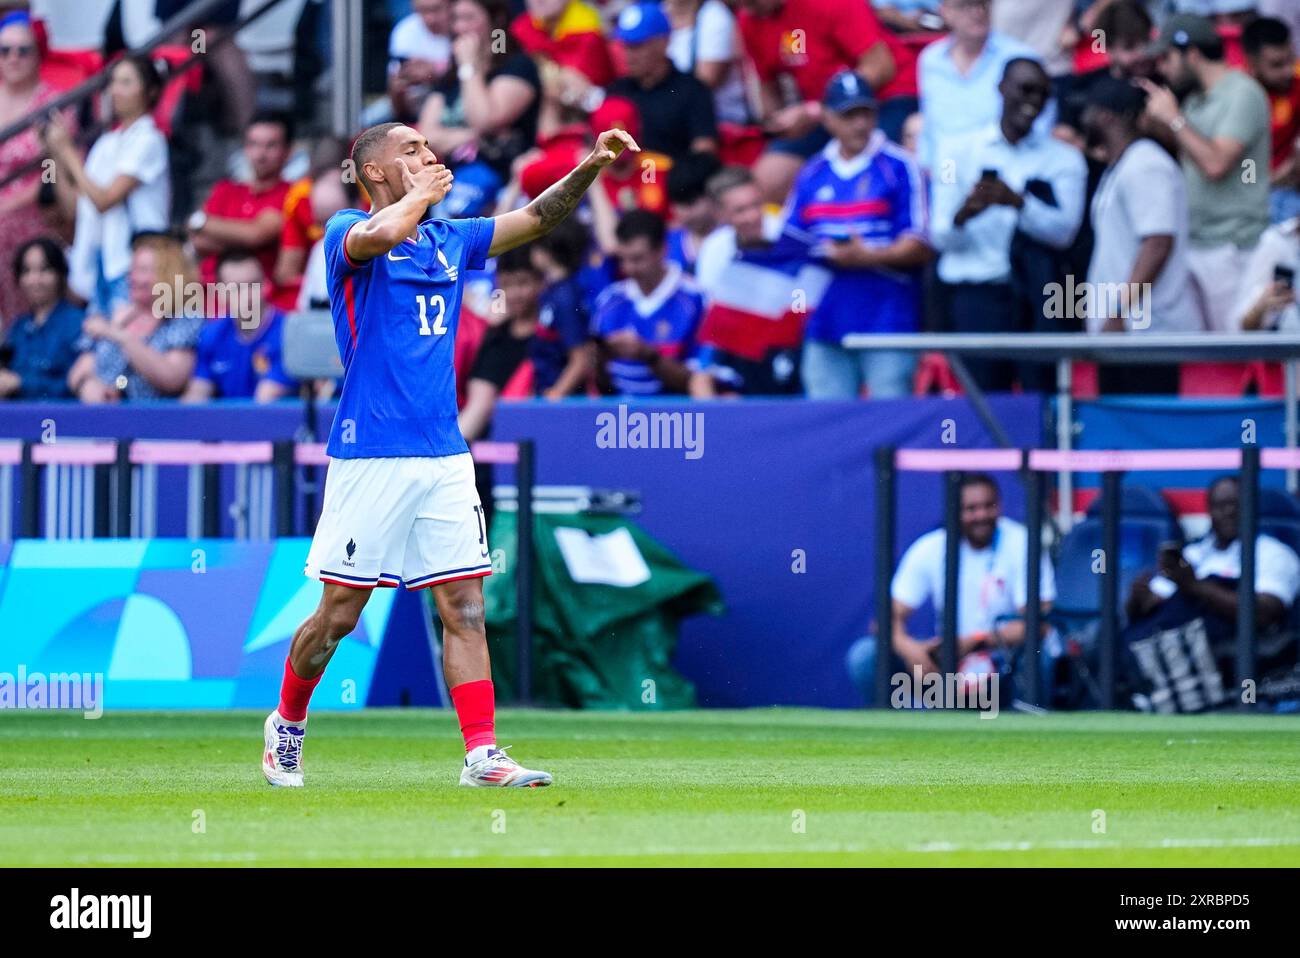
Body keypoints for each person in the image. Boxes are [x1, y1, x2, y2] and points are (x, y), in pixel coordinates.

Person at [263, 119, 640, 789]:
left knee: (464, 604)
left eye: (430, 148)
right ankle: (287, 723)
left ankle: (482, 755)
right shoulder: (346, 230)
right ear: (374, 171)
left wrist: (590, 166)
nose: (429, 157)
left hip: (443, 454)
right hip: (372, 454)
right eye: (411, 150)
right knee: (339, 616)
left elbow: (536, 216)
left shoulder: (449, 240)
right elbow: (380, 234)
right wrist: (418, 198)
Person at [929, 57, 1087, 391]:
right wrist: (966, 213)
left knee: (1041, 403)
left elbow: (1064, 234)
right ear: (1001, 87)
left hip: (1041, 299)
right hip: (977, 297)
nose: (1033, 101)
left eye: (1043, 94)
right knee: (982, 405)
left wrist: (1018, 203)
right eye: (1025, 89)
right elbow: (939, 235)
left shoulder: (1064, 158)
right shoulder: (956, 151)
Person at [845, 472, 1057, 706]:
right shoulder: (931, 547)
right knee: (866, 655)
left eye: (989, 506)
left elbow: (1039, 623)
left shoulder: (1022, 542)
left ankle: (1023, 732)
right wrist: (911, 650)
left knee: (1037, 657)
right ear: (955, 511)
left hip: (1001, 659)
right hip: (944, 662)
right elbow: (884, 619)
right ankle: (906, 731)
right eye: (971, 508)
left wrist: (974, 642)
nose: (982, 515)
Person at [786, 72, 930, 399]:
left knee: (891, 422)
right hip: (824, 320)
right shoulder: (812, 171)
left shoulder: (900, 166)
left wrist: (867, 257)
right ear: (827, 118)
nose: (860, 124)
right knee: (827, 425)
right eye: (849, 115)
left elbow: (921, 242)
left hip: (887, 320)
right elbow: (791, 240)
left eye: (866, 113)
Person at [1124, 475, 1300, 710]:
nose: (1228, 512)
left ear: (1251, 506)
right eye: (1220, 505)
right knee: (1110, 637)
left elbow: (1264, 614)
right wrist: (1138, 598)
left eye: (1236, 504)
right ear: (1209, 510)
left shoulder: (1274, 553)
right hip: (1161, 652)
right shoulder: (1194, 553)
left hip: (1219, 655)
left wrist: (1196, 587)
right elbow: (1149, 607)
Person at [1142, 13, 1271, 332]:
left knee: (1231, 353)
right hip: (1197, 243)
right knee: (1203, 361)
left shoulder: (1243, 93)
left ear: (1193, 54)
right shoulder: (1196, 101)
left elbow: (1215, 164)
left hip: (1232, 247)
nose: (1162, 67)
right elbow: (1190, 150)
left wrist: (1173, 119)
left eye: (1167, 57)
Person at [1082, 77, 1202, 393]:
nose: (1083, 120)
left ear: (1105, 116)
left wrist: (1118, 313)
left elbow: (1158, 243)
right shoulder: (1124, 164)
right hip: (1131, 332)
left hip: (1147, 333)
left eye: (1088, 111)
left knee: (1146, 432)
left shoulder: (1146, 164)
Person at [43, 55, 169, 322]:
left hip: (134, 264)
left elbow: (104, 200)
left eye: (126, 82)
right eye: (113, 82)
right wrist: (56, 156)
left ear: (151, 91)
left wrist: (67, 151)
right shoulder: (106, 143)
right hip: (101, 260)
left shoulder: (150, 140)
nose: (115, 90)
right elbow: (75, 208)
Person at [738, 0, 899, 203]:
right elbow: (768, 86)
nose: (744, 6)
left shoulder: (830, 4)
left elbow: (881, 67)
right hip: (821, 113)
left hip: (882, 98)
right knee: (768, 179)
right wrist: (777, 122)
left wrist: (817, 110)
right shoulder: (751, 19)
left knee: (867, 175)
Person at [416, 0, 542, 215]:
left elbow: (484, 119)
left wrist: (468, 67)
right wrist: (476, 135)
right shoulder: (451, 76)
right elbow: (424, 137)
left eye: (469, 18)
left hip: (504, 192)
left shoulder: (518, 67)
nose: (459, 27)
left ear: (496, 20)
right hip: (450, 185)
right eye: (456, 19)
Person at [65, 233, 202, 402]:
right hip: (105, 419)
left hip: (158, 421)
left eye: (143, 270)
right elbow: (77, 374)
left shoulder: (184, 319)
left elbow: (172, 379)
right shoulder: (114, 314)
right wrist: (88, 386)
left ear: (169, 275)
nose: (133, 277)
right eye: (132, 269)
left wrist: (121, 337)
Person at [916, 0, 1047, 172]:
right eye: (966, 5)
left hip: (1001, 171)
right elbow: (929, 123)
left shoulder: (1021, 59)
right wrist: (925, 164)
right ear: (945, 12)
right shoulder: (930, 59)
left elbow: (1040, 124)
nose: (977, 12)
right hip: (947, 171)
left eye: (983, 4)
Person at [0, 11, 68, 327]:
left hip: (31, 214)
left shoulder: (53, 104)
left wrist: (9, 203)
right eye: (5, 50)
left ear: (37, 53)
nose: (13, 58)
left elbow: (54, 170)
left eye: (23, 50)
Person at [590, 210, 705, 396]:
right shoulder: (609, 300)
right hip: (615, 419)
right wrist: (602, 358)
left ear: (662, 250)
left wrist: (647, 355)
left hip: (678, 419)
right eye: (622, 259)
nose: (628, 268)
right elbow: (601, 385)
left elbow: (699, 381)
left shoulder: (696, 300)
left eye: (637, 259)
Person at [188, 111, 295, 310]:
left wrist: (203, 222)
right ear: (245, 148)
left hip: (259, 308)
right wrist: (243, 237)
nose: (261, 154)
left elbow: (256, 234)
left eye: (270, 145)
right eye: (253, 144)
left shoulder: (292, 194)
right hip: (207, 303)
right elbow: (199, 241)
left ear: (288, 151)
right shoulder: (225, 190)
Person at [604, 3, 718, 163]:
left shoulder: (692, 91)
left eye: (637, 46)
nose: (629, 55)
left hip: (676, 183)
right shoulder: (616, 92)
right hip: (626, 185)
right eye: (626, 46)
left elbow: (704, 152)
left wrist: (665, 179)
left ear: (663, 42)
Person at [180, 249, 296, 403]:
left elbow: (265, 400)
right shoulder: (213, 334)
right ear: (220, 294)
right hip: (230, 424)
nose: (247, 296)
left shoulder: (289, 332)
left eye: (253, 285)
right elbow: (197, 394)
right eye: (236, 289)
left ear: (266, 285)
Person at [0, 238, 84, 399]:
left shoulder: (78, 324)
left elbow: (75, 385)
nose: (34, 280)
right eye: (27, 271)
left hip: (62, 420)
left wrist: (21, 383)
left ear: (60, 274)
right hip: (19, 420)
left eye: (44, 270)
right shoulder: (18, 327)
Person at [1243, 16, 1300, 223]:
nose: (1288, 70)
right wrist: (1273, 180)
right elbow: (1245, 172)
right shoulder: (1240, 98)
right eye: (1277, 65)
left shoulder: (1297, 82)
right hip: (1255, 200)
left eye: (1290, 60)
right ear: (1252, 63)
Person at [664, 0, 750, 127]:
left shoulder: (715, 16)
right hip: (677, 117)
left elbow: (705, 83)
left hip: (722, 120)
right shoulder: (658, 14)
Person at [387, 0, 453, 124]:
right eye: (422, 11)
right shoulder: (405, 31)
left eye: (436, 9)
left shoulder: (465, 24)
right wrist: (400, 86)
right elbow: (397, 102)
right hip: (417, 107)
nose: (430, 19)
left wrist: (436, 73)